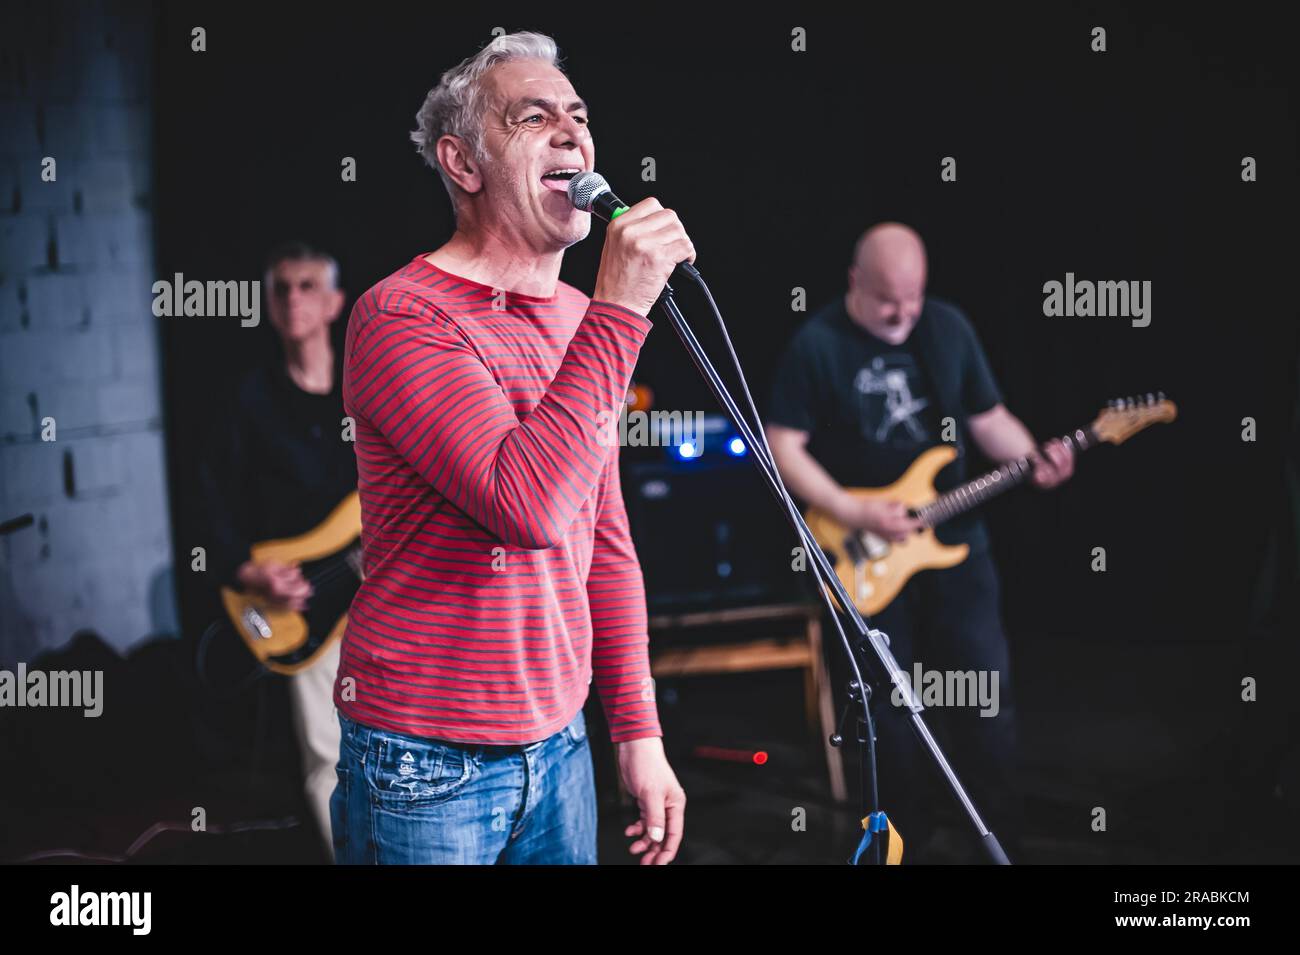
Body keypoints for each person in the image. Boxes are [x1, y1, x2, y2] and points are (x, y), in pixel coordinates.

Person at [330, 31, 690, 865]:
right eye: (534, 118)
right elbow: (526, 507)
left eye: (578, 116)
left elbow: (603, 541)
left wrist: (636, 731)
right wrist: (622, 311)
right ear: (463, 163)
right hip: (426, 759)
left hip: (560, 744)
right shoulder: (401, 317)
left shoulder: (579, 316)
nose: (572, 133)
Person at [766, 222, 1074, 862]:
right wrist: (854, 508)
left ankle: (998, 845)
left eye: (912, 298)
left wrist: (1035, 457)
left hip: (955, 545)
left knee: (985, 696)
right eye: (887, 300)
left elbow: (989, 420)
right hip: (862, 548)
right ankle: (899, 844)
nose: (904, 313)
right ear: (855, 281)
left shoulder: (948, 329)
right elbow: (782, 445)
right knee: (889, 715)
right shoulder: (817, 344)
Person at [198, 241, 354, 861]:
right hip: (300, 609)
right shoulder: (249, 401)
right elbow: (211, 501)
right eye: (281, 288)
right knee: (326, 755)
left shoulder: (369, 387)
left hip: (389, 603)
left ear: (336, 302)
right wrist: (249, 570)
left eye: (308, 285)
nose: (293, 299)